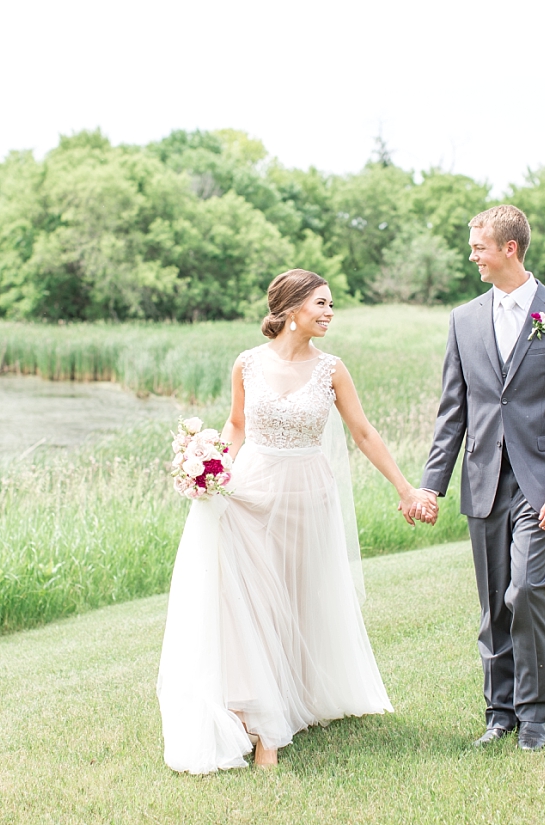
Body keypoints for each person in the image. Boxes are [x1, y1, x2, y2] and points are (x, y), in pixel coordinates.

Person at [157, 269, 438, 773]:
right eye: (322, 304)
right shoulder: (247, 364)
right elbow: (237, 425)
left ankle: (290, 700)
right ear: (291, 310)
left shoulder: (332, 369)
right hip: (252, 491)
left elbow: (364, 433)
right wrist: (210, 466)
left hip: (309, 493)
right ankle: (265, 725)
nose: (330, 313)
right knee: (252, 601)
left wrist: (405, 488)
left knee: (294, 596)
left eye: (332, 305)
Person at [410, 205, 545, 751]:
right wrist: (432, 483)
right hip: (484, 479)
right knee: (494, 602)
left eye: (479, 247)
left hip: (542, 483)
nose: (472, 256)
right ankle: (499, 714)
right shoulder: (463, 319)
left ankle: (535, 716)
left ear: (509, 249)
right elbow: (455, 411)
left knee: (527, 590)